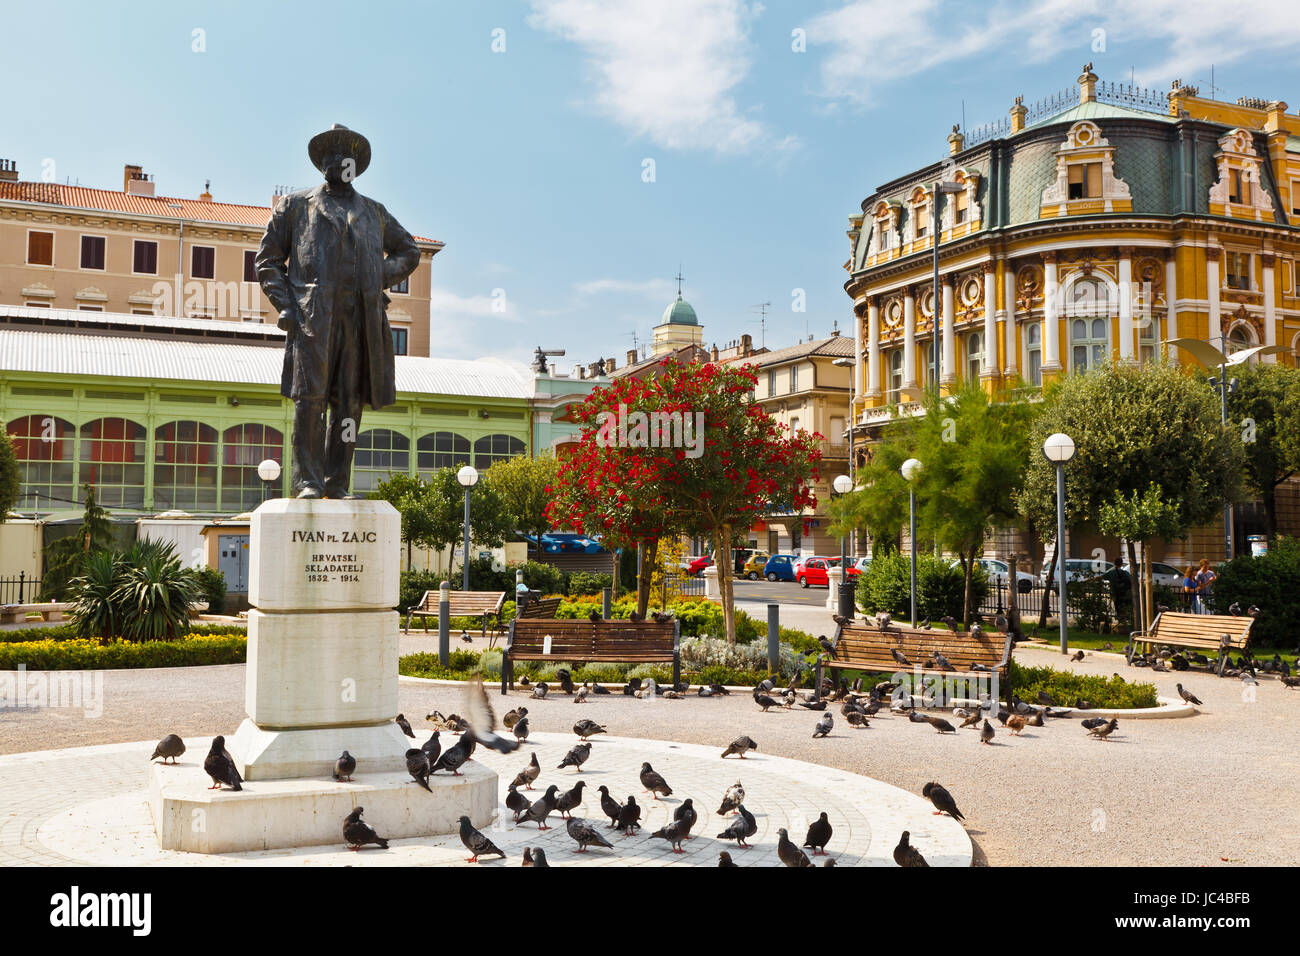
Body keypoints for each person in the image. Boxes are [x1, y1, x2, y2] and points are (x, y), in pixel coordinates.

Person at [256, 124, 421, 498]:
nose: (337, 160)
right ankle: (308, 482)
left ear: (355, 164)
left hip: (360, 319)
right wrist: (287, 306)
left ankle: (337, 481)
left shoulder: (374, 213)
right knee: (309, 401)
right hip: (313, 317)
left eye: (344, 154)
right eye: (330, 153)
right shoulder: (296, 206)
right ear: (322, 163)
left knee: (349, 404)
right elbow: (267, 262)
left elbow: (409, 251)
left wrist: (375, 275)